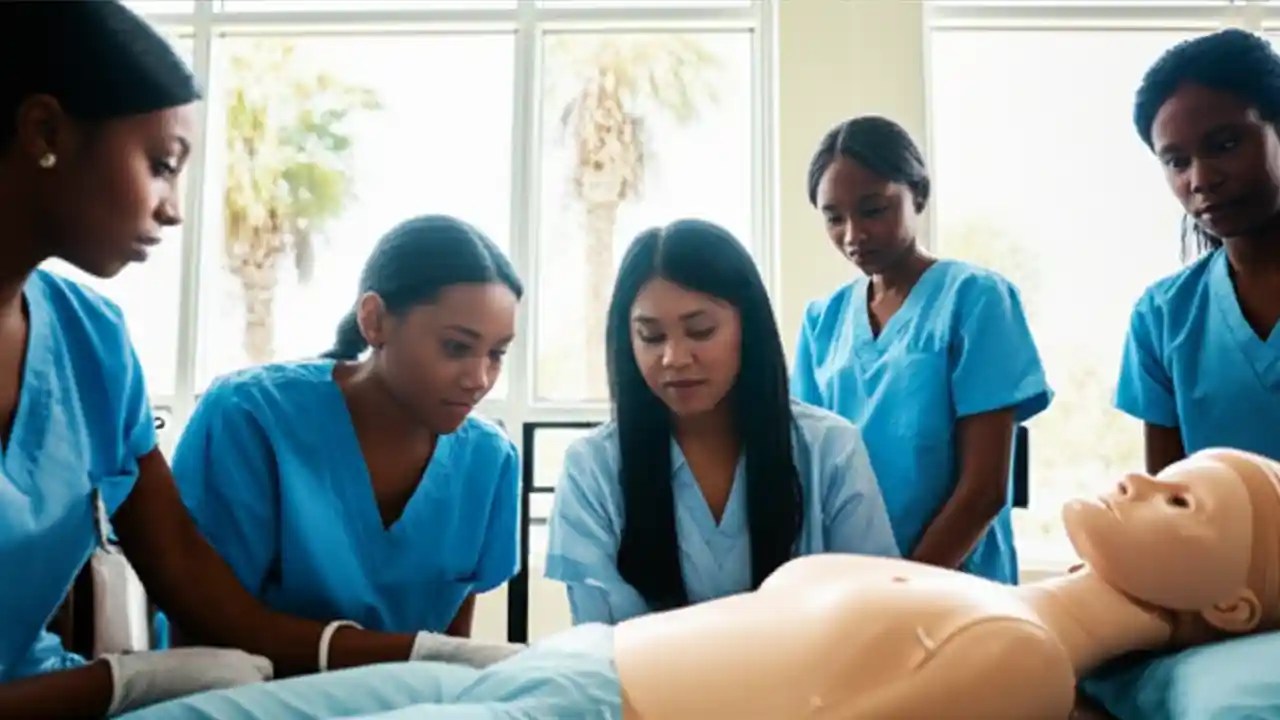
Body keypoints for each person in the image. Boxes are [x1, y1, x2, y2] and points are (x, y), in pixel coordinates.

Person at [0, 3, 505, 717]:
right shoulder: (256, 413)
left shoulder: (93, 344)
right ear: (46, 132)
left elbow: (207, 597)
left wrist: (431, 661)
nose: (173, 208)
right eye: (160, 166)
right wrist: (116, 682)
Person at [117, 446, 1280, 720]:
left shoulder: (1021, 662)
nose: (1138, 476)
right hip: (562, 671)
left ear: (1231, 608)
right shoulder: (994, 611)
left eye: (1183, 501)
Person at [171, 214, 524, 665]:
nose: (479, 378)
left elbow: (447, 660)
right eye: (456, 347)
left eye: (496, 354)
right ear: (374, 320)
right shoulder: (249, 418)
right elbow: (202, 624)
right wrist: (417, 658)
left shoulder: (489, 461)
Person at [543, 218, 900, 625]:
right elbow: (600, 646)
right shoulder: (593, 468)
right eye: (651, 337)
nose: (674, 357)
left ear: (747, 328)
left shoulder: (830, 450)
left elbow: (869, 619)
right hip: (646, 688)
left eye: (700, 330)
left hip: (811, 688)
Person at [789, 116, 1053, 585]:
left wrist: (905, 589)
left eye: (873, 210)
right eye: (834, 218)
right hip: (850, 588)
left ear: (919, 195)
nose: (853, 235)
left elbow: (985, 490)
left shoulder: (976, 300)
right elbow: (807, 474)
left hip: (956, 582)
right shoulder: (822, 322)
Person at [1115, 28, 1280, 475]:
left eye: (1225, 145)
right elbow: (1170, 506)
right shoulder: (1163, 317)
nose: (1201, 179)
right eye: (1176, 161)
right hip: (1222, 550)